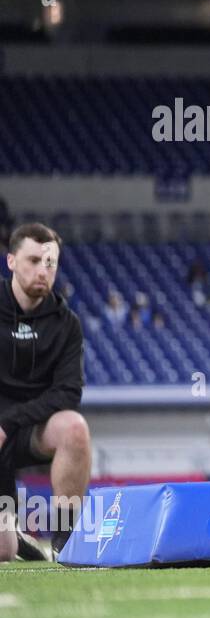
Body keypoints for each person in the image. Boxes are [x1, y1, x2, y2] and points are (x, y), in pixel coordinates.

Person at [0, 223, 92, 562]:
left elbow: (68, 394)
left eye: (50, 263)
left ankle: (65, 544)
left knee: (74, 428)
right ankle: (16, 537)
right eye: (34, 260)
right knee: (3, 553)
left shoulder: (66, 324)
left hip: (30, 432)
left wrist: (8, 423)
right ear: (11, 261)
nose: (43, 270)